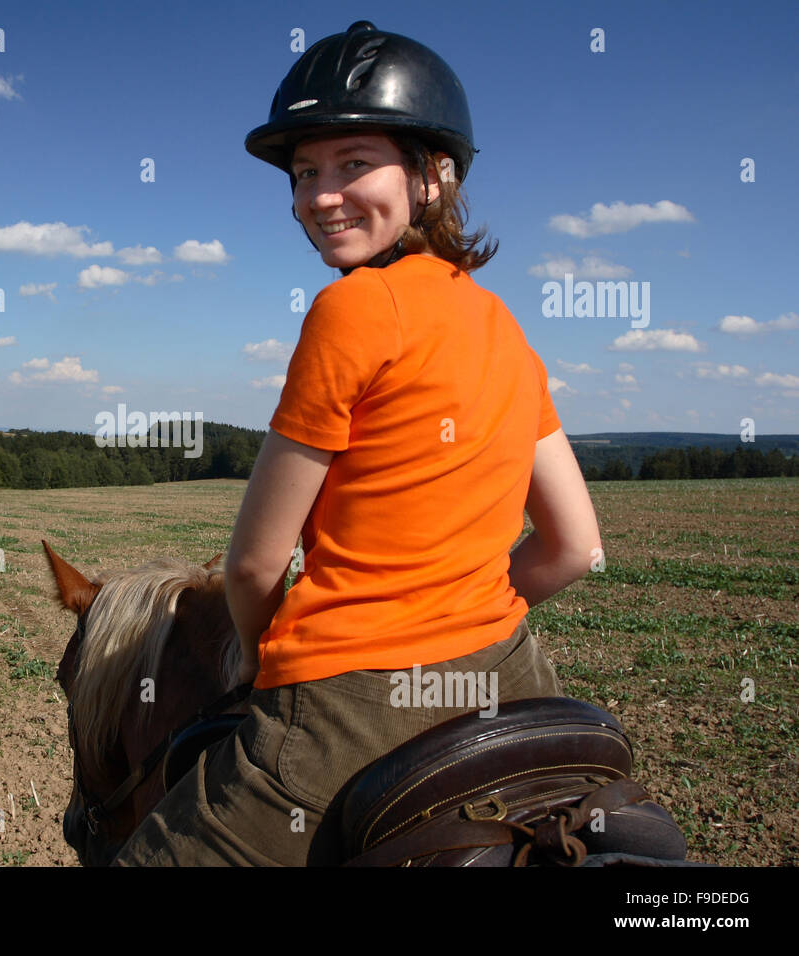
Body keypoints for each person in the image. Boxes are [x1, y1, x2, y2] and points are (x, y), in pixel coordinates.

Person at [112, 21, 602, 866]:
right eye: (305, 172)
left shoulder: (350, 310)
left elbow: (255, 568)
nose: (319, 195)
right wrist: (464, 615)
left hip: (350, 708)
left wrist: (276, 662)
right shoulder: (505, 327)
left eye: (353, 164)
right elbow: (574, 546)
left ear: (431, 177)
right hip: (513, 678)